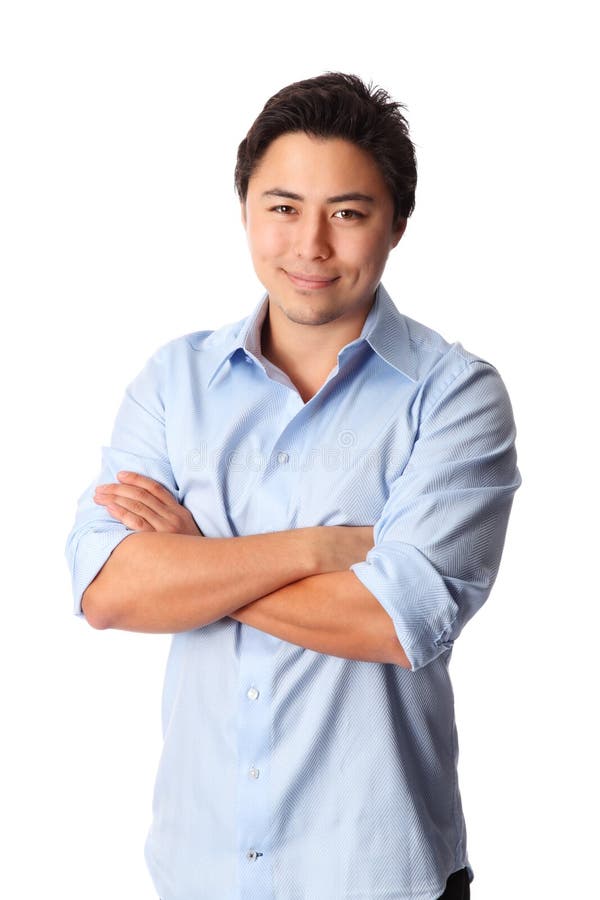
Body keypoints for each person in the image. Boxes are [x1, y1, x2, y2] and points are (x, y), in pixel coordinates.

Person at [64, 72, 521, 900]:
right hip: (199, 871)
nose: (310, 245)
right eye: (283, 207)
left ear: (397, 226)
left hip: (379, 876)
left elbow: (394, 619)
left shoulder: (455, 396)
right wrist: (318, 550)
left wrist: (195, 564)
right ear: (245, 212)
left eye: (348, 213)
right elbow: (108, 592)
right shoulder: (175, 382)